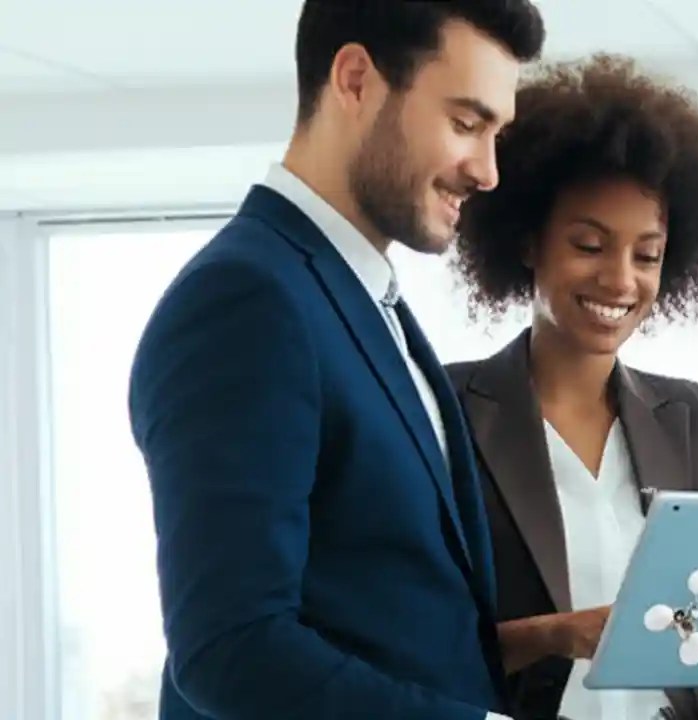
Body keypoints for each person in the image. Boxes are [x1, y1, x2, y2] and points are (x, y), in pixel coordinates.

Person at [127, 2, 544, 718]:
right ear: (355, 80)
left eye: (496, 133)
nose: (488, 170)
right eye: (466, 124)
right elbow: (232, 649)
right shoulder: (246, 300)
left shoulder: (356, 297)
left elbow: (376, 613)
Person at [445, 54, 698, 720]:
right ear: (528, 240)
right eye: (589, 244)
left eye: (646, 255)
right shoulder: (442, 411)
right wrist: (556, 635)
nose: (620, 280)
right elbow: (399, 642)